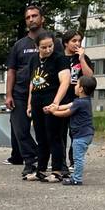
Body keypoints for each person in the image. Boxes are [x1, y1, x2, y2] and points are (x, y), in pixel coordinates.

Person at [5, 5, 60, 177]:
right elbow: (11, 70)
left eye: (34, 16)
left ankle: (56, 164)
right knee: (20, 130)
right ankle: (31, 160)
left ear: (42, 18)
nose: (31, 19)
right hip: (20, 93)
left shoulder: (53, 42)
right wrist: (8, 94)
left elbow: (61, 66)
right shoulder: (19, 45)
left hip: (45, 94)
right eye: (28, 17)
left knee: (47, 132)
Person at [27, 31, 72, 182]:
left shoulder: (60, 59)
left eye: (50, 46)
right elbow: (33, 82)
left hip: (52, 101)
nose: (47, 50)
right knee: (40, 137)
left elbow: (65, 81)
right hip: (37, 102)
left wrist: (56, 103)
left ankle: (58, 170)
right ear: (37, 47)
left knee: (54, 136)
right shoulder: (33, 60)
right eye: (43, 47)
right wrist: (29, 103)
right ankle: (41, 169)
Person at [50, 75, 97, 186]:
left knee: (78, 158)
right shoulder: (84, 101)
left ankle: (77, 179)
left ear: (81, 89)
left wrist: (54, 112)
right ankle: (76, 176)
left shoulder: (80, 103)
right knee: (78, 157)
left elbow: (67, 112)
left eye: (76, 84)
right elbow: (67, 105)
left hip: (81, 135)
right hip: (86, 134)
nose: (74, 86)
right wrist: (54, 107)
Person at [60, 30, 94, 167]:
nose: (77, 44)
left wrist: (81, 59)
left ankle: (74, 161)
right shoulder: (59, 58)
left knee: (76, 132)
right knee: (60, 132)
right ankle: (60, 161)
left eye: (79, 41)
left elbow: (89, 76)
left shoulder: (83, 58)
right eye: (74, 41)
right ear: (66, 43)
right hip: (63, 98)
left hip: (78, 99)